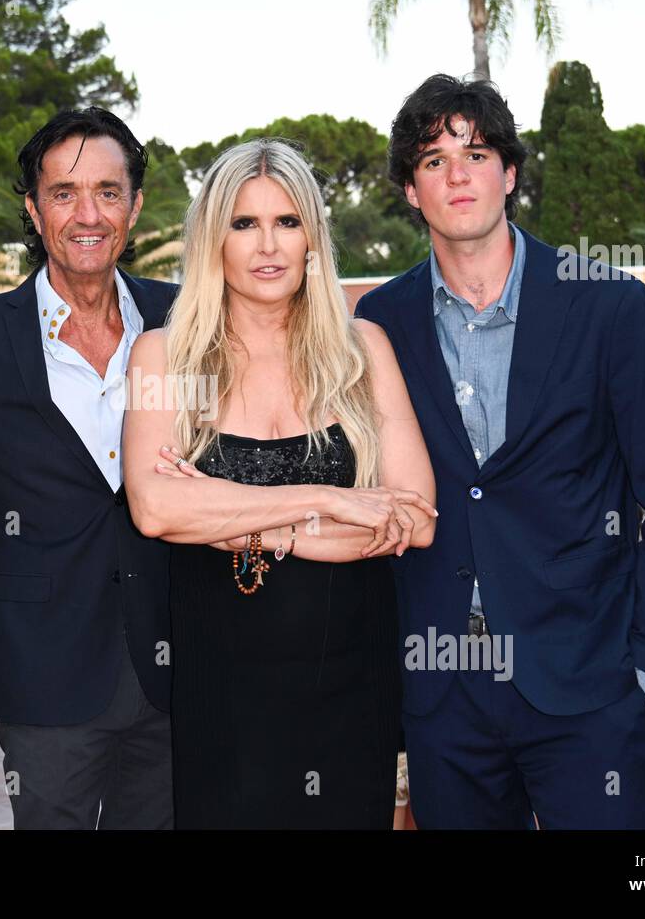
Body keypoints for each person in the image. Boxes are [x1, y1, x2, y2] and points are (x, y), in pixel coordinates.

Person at [355, 73, 645, 829]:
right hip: (445, 696)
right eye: (433, 160)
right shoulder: (377, 321)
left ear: (509, 174)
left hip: (587, 687)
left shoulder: (610, 307)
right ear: (411, 192)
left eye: (476, 153)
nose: (457, 174)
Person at [123, 138, 437, 828]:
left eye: (288, 222)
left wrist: (232, 519)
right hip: (221, 692)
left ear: (312, 240)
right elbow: (154, 508)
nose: (268, 244)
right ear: (214, 241)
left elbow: (413, 519)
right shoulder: (167, 358)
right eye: (244, 223)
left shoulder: (362, 350)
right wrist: (331, 499)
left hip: (351, 684)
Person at [0, 107, 176, 829]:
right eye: (63, 194)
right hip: (41, 671)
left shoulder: (185, 323)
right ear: (35, 212)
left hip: (177, 664)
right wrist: (9, 527)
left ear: (134, 207)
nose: (87, 214)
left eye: (107, 191)